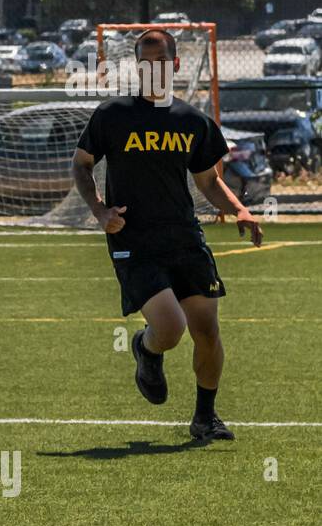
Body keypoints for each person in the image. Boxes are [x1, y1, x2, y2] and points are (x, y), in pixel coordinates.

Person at [70, 28, 261, 441]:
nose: (152, 68)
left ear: (174, 64)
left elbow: (209, 182)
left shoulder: (192, 122)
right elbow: (81, 165)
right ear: (136, 66)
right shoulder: (112, 115)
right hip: (134, 240)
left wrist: (241, 210)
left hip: (184, 237)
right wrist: (100, 211)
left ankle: (204, 418)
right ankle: (146, 347)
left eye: (160, 61)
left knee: (207, 329)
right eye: (145, 62)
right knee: (170, 329)